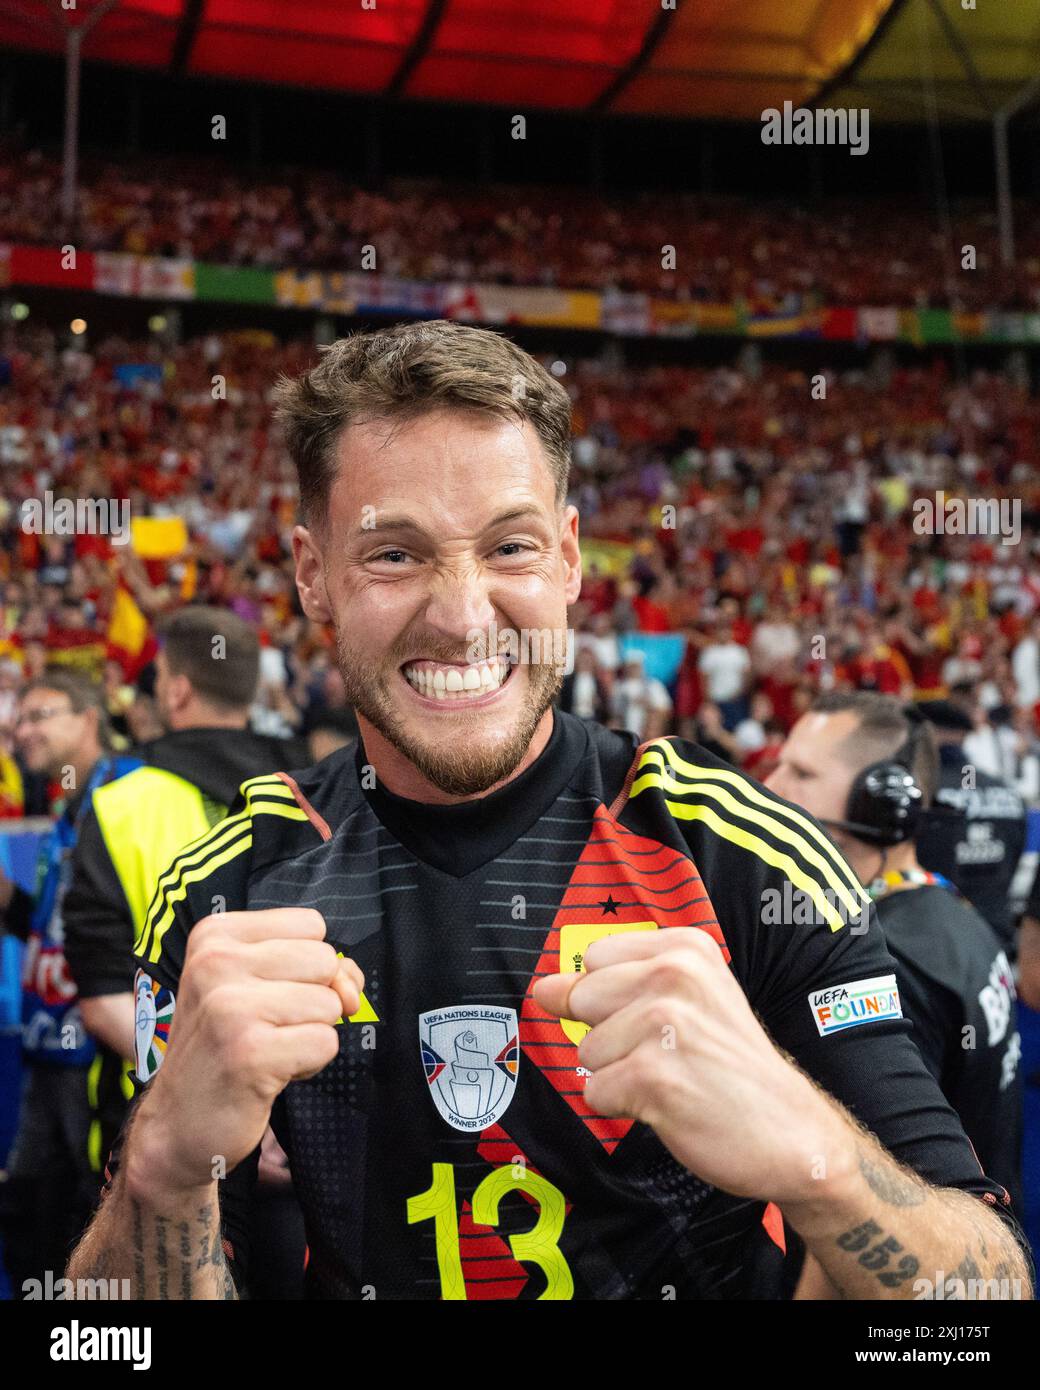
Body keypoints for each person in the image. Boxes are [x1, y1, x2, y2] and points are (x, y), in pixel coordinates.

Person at [69, 321, 1029, 1301]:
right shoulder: (222, 890)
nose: (462, 613)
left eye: (509, 546)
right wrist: (163, 1170)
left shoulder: (740, 852)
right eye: (395, 554)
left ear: (567, 559)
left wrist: (807, 1150)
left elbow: (989, 1295)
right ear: (311, 574)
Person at [62, 605, 309, 1172]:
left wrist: (222, 1096)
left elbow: (104, 1005)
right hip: (303, 1149)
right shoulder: (319, 792)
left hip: (156, 1146)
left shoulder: (112, 804)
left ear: (175, 691)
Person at [766, 692, 1023, 1226]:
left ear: (879, 805)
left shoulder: (882, 957)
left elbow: (876, 1195)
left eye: (802, 773)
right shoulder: (951, 909)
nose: (770, 788)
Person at [0, 670, 140, 1291]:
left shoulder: (131, 795)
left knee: (94, 1232)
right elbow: (61, 927)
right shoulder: (69, 804)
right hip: (46, 1050)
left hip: (99, 1061)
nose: (20, 731)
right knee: (36, 1224)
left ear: (88, 717)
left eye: (39, 715)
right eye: (16, 720)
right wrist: (10, 903)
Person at [913, 700, 1027, 953]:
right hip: (997, 941)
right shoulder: (1006, 791)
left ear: (928, 733)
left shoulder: (919, 794)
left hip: (937, 944)